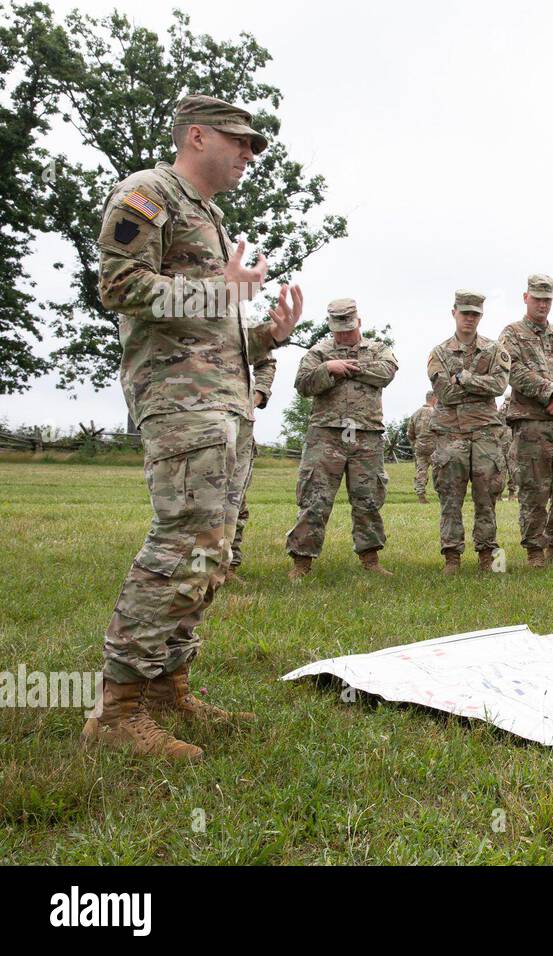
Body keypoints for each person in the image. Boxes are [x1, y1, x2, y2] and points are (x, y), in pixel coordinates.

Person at [83, 94, 302, 761]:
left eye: (253, 147)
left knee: (214, 551)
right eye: (239, 142)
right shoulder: (149, 194)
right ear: (197, 136)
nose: (248, 156)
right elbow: (119, 286)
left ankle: (166, 687)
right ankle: (116, 711)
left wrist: (266, 335)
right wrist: (223, 291)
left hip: (224, 406)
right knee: (184, 542)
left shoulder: (209, 216)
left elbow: (211, 330)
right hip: (180, 404)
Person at [285, 298, 398, 580]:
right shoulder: (319, 352)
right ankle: (301, 562)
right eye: (340, 330)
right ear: (331, 326)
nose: (345, 334)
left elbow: (387, 372)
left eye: (349, 328)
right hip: (326, 435)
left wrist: (348, 369)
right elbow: (302, 385)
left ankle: (370, 559)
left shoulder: (378, 349)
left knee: (368, 499)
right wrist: (327, 369)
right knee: (315, 498)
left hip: (366, 435)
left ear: (359, 322)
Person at [498, 274, 553, 567]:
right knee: (534, 489)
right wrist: (550, 392)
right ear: (526, 298)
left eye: (547, 299)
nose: (542, 304)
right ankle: (535, 551)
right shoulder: (512, 334)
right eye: (537, 299)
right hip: (531, 423)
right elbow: (513, 371)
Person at [426, 290, 511, 573]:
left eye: (475, 314)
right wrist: (479, 385)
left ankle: (487, 555)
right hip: (450, 434)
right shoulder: (439, 353)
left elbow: (499, 386)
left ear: (481, 316)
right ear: (454, 313)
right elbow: (446, 394)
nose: (470, 319)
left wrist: (465, 378)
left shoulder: (495, 350)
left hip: (485, 433)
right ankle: (452, 556)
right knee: (450, 497)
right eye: (465, 313)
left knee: (487, 496)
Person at [228, 352, 276, 583]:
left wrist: (260, 392)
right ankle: (187, 568)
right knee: (190, 501)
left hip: (238, 425)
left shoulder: (242, 329)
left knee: (235, 501)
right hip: (188, 423)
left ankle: (226, 567)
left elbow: (266, 361)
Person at [408, 391, 438, 503]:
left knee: (421, 471)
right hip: (435, 446)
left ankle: (420, 495)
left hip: (420, 447)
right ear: (434, 398)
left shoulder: (415, 414)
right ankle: (442, 493)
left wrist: (415, 444)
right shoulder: (436, 413)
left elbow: (410, 433)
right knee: (439, 470)